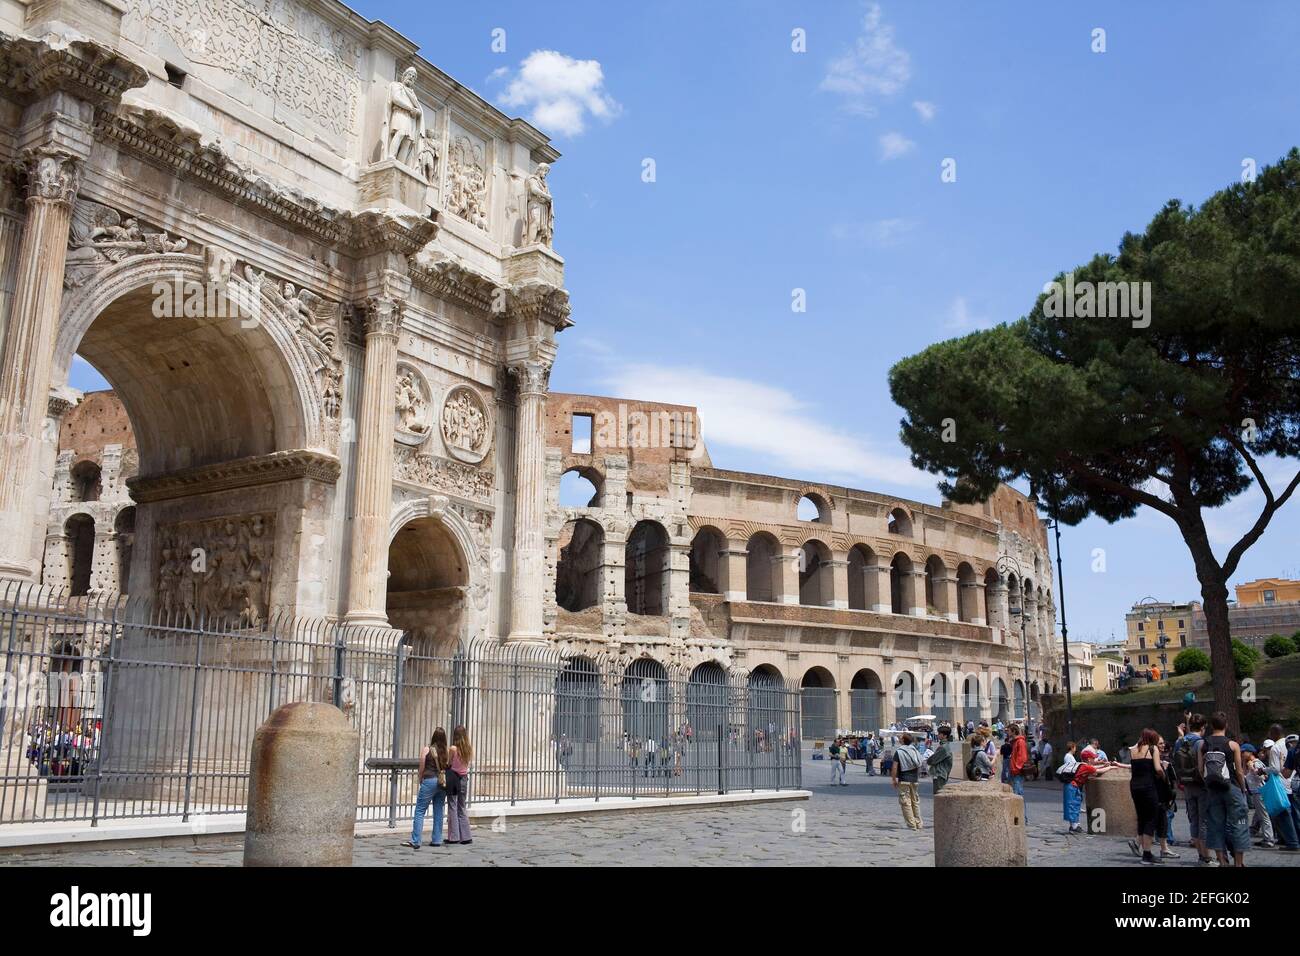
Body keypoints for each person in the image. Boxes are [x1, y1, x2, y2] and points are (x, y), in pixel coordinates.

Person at [1199, 711, 1250, 867]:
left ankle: (1222, 861)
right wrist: (1243, 789)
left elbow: (1201, 769)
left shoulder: (1203, 744)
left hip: (1213, 790)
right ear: (1226, 725)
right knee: (1239, 824)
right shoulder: (1233, 745)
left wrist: (1209, 783)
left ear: (1211, 726)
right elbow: (1240, 772)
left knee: (1215, 825)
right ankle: (1239, 863)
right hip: (1231, 787)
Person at [1173, 714, 1213, 865]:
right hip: (1201, 785)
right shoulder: (1201, 742)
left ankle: (1199, 855)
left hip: (1187, 784)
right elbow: (1203, 766)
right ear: (1203, 727)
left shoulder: (1180, 741)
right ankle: (1206, 856)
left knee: (1194, 820)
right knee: (1204, 821)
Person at [405, 728, 447, 848]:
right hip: (441, 782)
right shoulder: (445, 751)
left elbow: (422, 766)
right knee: (439, 810)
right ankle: (437, 839)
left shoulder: (427, 749)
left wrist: (420, 778)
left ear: (433, 736)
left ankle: (416, 840)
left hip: (429, 780)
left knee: (420, 810)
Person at [446, 725, 473, 845]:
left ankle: (454, 836)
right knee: (462, 807)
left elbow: (449, 762)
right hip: (464, 778)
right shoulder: (468, 749)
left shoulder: (453, 748)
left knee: (452, 806)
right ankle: (466, 836)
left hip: (453, 777)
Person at [892, 732, 923, 830]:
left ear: (903, 740)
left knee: (906, 802)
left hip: (904, 779)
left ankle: (911, 824)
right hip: (914, 779)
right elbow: (919, 764)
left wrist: (894, 779)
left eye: (900, 738)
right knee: (915, 802)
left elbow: (894, 767)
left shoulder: (899, 751)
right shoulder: (915, 750)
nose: (899, 739)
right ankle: (918, 823)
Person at [928, 726, 953, 794]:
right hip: (942, 773)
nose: (938, 735)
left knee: (939, 795)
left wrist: (928, 759)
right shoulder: (945, 745)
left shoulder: (943, 747)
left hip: (940, 774)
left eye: (939, 733)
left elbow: (932, 760)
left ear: (945, 736)